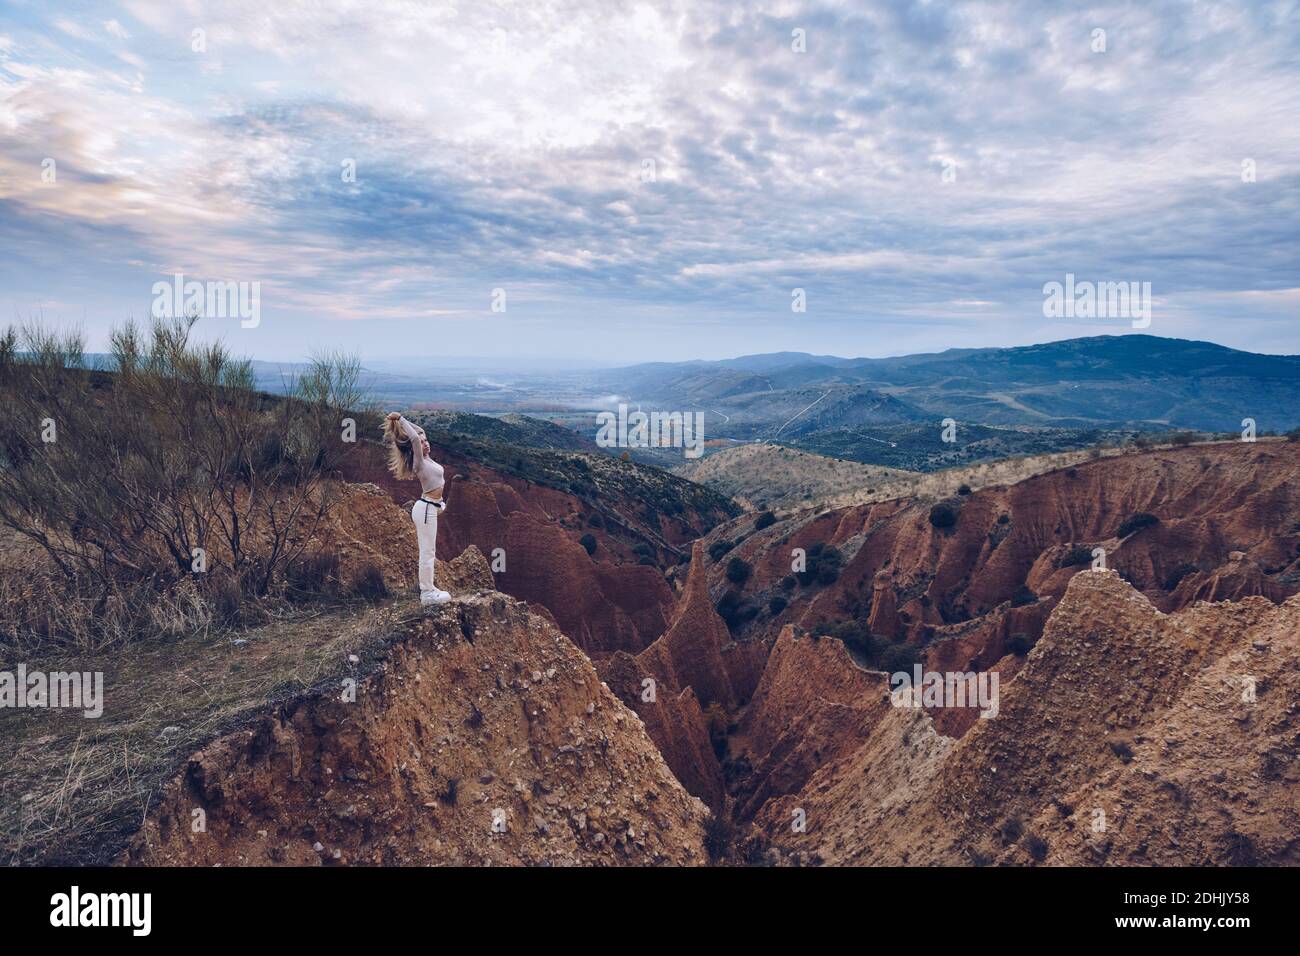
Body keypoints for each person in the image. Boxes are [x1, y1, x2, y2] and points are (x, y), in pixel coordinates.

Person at [382, 412, 449, 605]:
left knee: (430, 551)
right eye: (421, 442)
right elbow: (413, 437)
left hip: (430, 507)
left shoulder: (428, 460)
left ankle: (431, 588)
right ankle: (427, 593)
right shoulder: (418, 462)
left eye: (426, 440)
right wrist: (401, 418)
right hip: (426, 509)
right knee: (427, 552)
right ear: (415, 447)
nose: (425, 443)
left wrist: (397, 422)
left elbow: (416, 433)